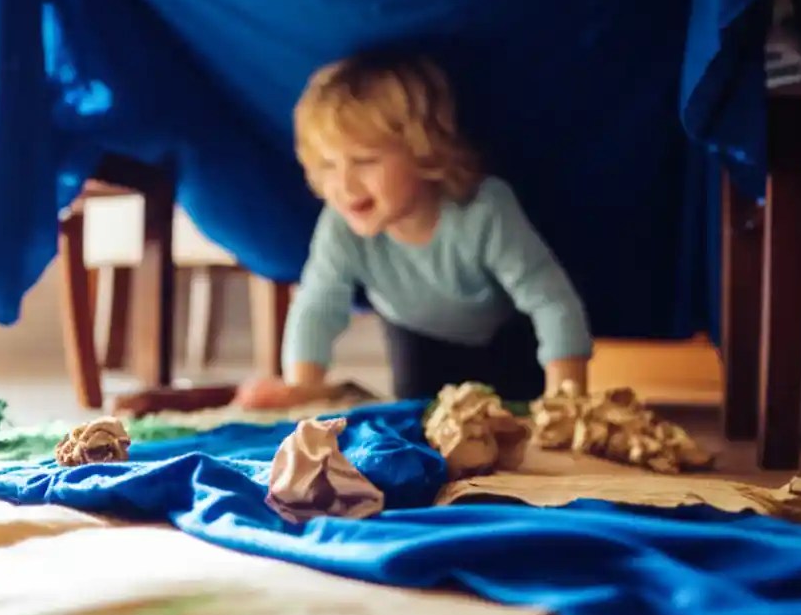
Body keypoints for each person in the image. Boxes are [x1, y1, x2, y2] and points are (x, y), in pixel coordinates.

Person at [235, 50, 593, 409]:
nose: (343, 183)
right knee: (418, 421)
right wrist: (301, 387)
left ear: (423, 151)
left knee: (515, 422)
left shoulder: (484, 209)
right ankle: (344, 392)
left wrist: (565, 396)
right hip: (417, 338)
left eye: (364, 161)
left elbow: (551, 301)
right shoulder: (339, 224)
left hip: (505, 340)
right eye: (327, 164)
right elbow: (317, 304)